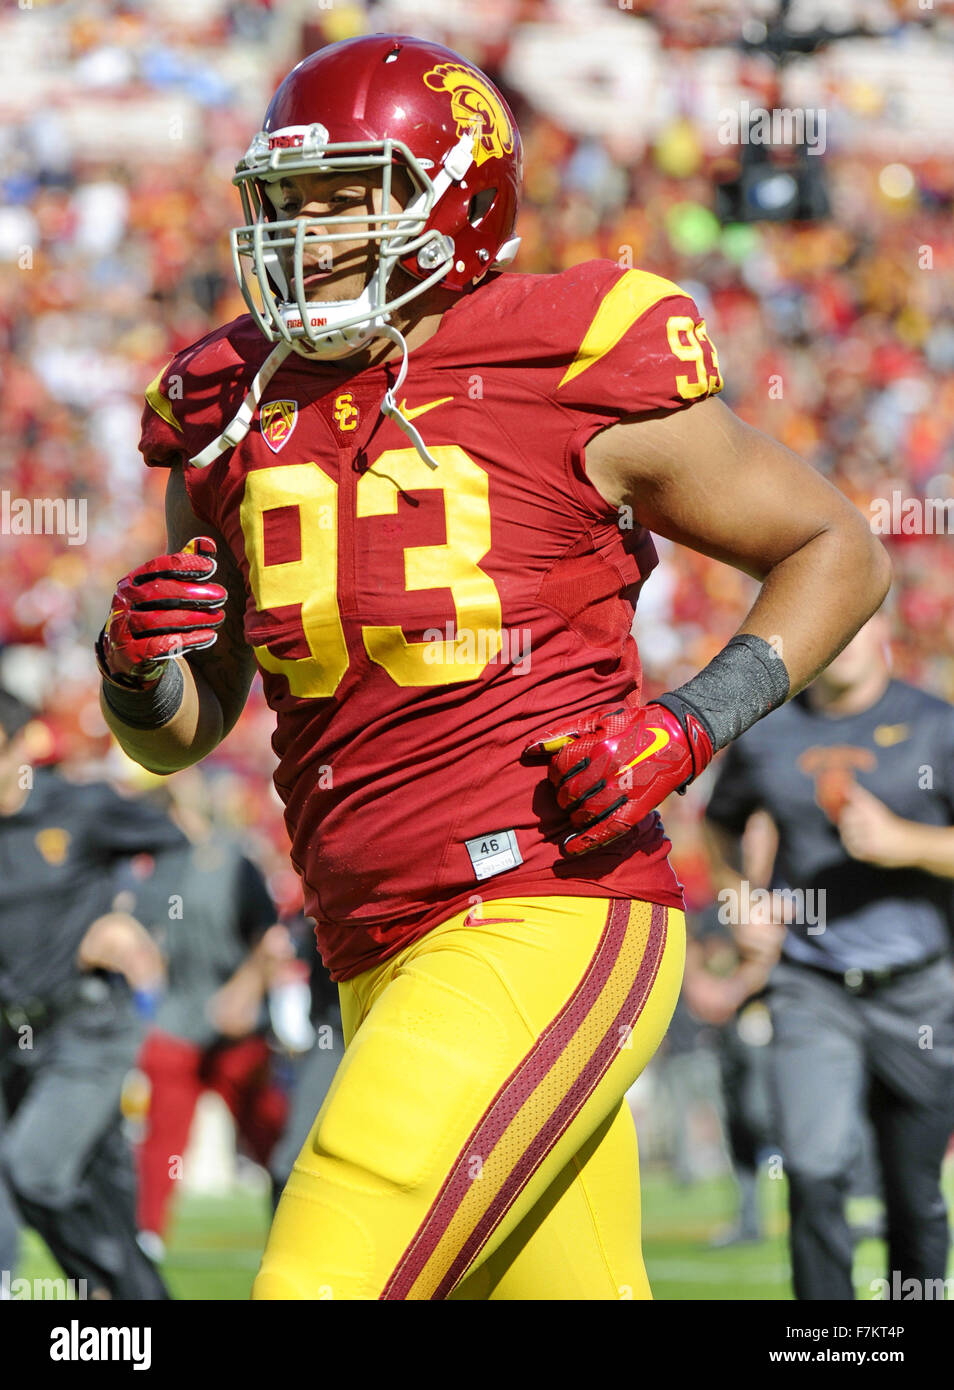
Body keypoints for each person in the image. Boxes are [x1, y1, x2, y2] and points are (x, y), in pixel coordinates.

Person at [96, 34, 890, 1300]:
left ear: (454, 195)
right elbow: (186, 730)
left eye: (344, 196)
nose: (306, 234)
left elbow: (834, 546)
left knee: (315, 1280)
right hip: (369, 937)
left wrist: (690, 722)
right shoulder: (231, 403)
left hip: (546, 909)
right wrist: (138, 677)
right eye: (287, 202)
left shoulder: (563, 353)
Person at [704, 608, 954, 1299]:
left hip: (920, 992)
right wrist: (738, 901)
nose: (843, 638)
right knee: (813, 1173)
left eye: (859, 622)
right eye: (832, 626)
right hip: (810, 986)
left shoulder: (938, 724)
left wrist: (910, 843)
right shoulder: (769, 733)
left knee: (915, 1192)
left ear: (885, 634)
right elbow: (719, 829)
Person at [0, 688, 182, 1299]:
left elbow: (185, 848)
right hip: (15, 1042)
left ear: (23, 744)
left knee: (33, 1169)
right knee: (92, 1198)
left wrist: (135, 919)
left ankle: (107, 1299)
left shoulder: (79, 807)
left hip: (87, 1028)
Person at [112, 776, 290, 1252]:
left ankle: (298, 1227)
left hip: (238, 1026)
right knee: (163, 1136)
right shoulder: (155, 868)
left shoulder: (235, 859)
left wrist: (244, 991)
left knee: (274, 1135)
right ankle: (149, 1236)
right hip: (177, 1021)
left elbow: (270, 939)